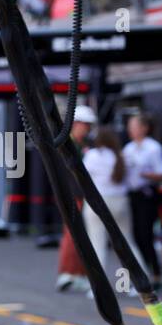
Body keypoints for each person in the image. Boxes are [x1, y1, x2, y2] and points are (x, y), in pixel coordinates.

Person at [82, 126, 137, 294]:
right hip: (120, 200)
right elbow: (133, 181)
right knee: (127, 242)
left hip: (97, 201)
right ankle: (137, 284)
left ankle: (98, 288)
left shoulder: (92, 155)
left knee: (97, 244)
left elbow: (82, 176)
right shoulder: (122, 156)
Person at [123, 112, 162, 287]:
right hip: (131, 194)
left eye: (135, 127)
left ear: (145, 128)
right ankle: (143, 271)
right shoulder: (128, 148)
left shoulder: (153, 148)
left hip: (147, 193)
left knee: (146, 234)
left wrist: (146, 174)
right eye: (130, 127)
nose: (132, 130)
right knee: (134, 235)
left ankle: (156, 273)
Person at [56, 110, 95, 292]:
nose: (87, 130)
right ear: (76, 123)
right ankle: (67, 273)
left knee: (83, 236)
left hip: (80, 195)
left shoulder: (83, 145)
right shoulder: (67, 144)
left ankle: (78, 273)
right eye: (85, 125)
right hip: (74, 195)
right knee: (72, 235)